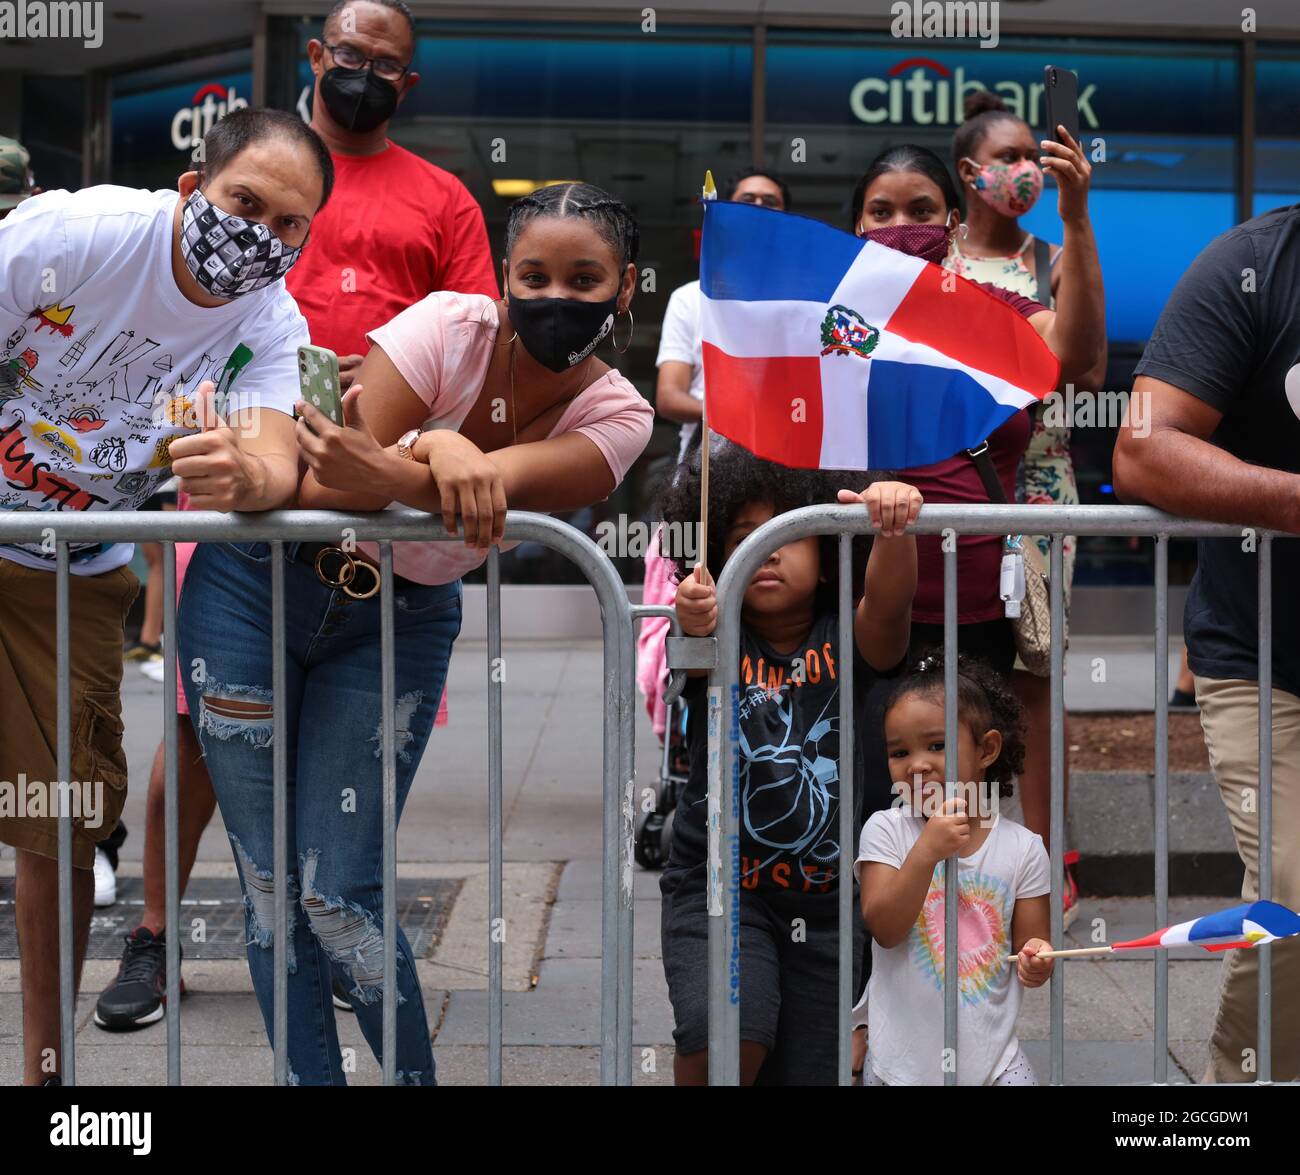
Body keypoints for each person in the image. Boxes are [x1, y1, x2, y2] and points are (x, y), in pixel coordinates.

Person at [176, 181, 653, 1085]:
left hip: (396, 624)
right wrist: (445, 453)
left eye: (584, 278)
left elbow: (437, 483)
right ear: (504, 277)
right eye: (534, 274)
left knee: (336, 891)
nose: (556, 296)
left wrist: (433, 454)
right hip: (250, 594)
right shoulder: (450, 324)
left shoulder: (621, 416)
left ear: (626, 287)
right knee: (272, 891)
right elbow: (323, 482)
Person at [96, 0, 498, 1031]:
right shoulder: (264, 168)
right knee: (193, 728)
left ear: (408, 85)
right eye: (348, 54)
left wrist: (416, 426)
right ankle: (153, 932)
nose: (363, 71)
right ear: (315, 56)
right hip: (237, 478)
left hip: (367, 507)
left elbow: (480, 343)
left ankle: (326, 921)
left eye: (387, 64)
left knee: (354, 741)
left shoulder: (445, 199)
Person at [0, 105, 328, 1084]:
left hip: (72, 577)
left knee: (54, 824)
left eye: (287, 224)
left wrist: (246, 475)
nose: (260, 234)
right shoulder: (76, 235)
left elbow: (275, 459)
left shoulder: (271, 324)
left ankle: (46, 1076)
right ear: (193, 191)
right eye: (244, 204)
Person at [848, 142, 1103, 924]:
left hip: (978, 621)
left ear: (953, 222)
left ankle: (964, 1013)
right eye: (881, 212)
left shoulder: (997, 314)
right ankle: (864, 1024)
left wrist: (1077, 222)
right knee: (876, 820)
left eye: (921, 211)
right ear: (854, 226)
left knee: (970, 832)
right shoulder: (828, 322)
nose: (900, 225)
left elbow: (1079, 354)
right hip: (866, 616)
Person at [658, 442, 920, 1085]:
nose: (767, 549)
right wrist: (690, 615)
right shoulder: (715, 634)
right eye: (745, 536)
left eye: (788, 532)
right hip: (718, 886)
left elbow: (888, 607)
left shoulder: (850, 635)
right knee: (724, 1039)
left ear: (829, 556)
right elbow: (685, 638)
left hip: (830, 905)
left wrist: (891, 529)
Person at [1113, 200, 1300, 1083]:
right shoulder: (1251, 266)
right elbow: (1145, 451)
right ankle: (1236, 1094)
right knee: (1296, 898)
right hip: (1268, 657)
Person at [946, 93, 1108, 859]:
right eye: (1008, 158)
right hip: (951, 480)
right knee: (954, 668)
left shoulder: (1051, 256)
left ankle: (1045, 864)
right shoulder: (933, 257)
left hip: (1038, 487)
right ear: (969, 171)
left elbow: (1087, 368)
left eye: (1031, 158)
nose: (1024, 171)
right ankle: (958, 855)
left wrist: (1079, 221)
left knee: (1035, 675)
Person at [637, 168, 792, 742]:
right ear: (725, 209)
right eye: (746, 199)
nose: (757, 207)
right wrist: (736, 405)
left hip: (782, 490)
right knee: (689, 613)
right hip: (703, 490)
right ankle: (685, 745)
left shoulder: (799, 300)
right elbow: (670, 396)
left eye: (770, 202)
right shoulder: (689, 298)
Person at [857, 651, 1053, 1085]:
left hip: (994, 1063)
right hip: (899, 1067)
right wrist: (927, 850)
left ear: (987, 749)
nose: (917, 764)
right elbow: (885, 928)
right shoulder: (885, 831)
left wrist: (1037, 960)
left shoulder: (1024, 849)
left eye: (937, 745)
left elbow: (1033, 945)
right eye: (899, 752)